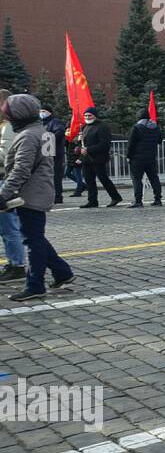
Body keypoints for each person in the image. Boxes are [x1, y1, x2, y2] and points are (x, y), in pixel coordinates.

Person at [0, 94, 74, 301]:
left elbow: (21, 169)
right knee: (35, 236)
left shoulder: (27, 136)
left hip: (30, 194)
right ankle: (62, 272)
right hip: (42, 190)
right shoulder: (43, 132)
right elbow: (48, 162)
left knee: (32, 240)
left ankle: (35, 285)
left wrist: (3, 193)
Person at [0, 90, 26, 283]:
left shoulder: (7, 127)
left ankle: (17, 265)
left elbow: (5, 154)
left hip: (4, 180)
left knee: (9, 227)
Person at [78, 106, 121, 208]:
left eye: (89, 115)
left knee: (103, 179)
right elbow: (83, 143)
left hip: (98, 158)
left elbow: (104, 144)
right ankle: (92, 200)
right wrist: (78, 139)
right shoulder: (84, 127)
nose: (87, 117)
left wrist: (89, 149)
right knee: (89, 180)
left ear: (95, 116)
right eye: (85, 115)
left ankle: (115, 197)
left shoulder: (102, 127)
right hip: (87, 159)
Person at [126, 108, 164, 207]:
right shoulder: (155, 127)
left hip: (137, 158)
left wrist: (128, 156)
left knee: (137, 179)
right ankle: (158, 199)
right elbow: (160, 140)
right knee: (154, 178)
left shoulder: (136, 128)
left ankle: (138, 201)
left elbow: (131, 144)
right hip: (151, 157)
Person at [38, 103, 66, 204]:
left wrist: (47, 139)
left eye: (44, 111)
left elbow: (59, 132)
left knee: (56, 175)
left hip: (55, 153)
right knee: (46, 175)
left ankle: (58, 196)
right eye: (40, 111)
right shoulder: (40, 122)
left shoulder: (55, 122)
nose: (41, 113)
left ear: (49, 112)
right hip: (45, 153)